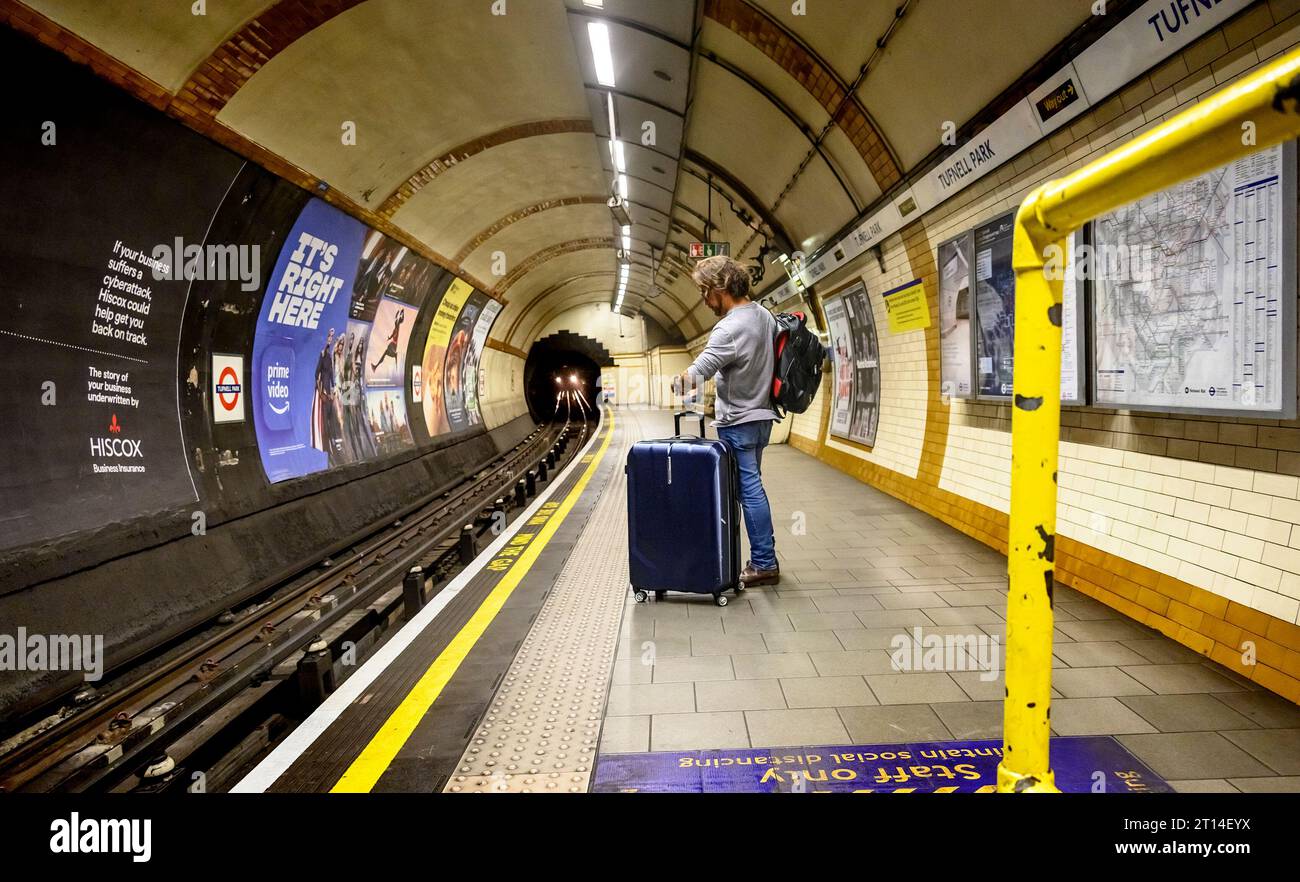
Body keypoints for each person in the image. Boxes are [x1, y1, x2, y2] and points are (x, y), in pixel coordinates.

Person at [672, 255, 780, 588]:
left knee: (749, 491)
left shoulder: (730, 327)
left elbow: (697, 374)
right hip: (762, 415)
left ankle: (764, 562)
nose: (704, 301)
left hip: (739, 420)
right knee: (750, 488)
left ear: (721, 287)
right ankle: (749, 557)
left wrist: (677, 383)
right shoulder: (765, 316)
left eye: (706, 292)